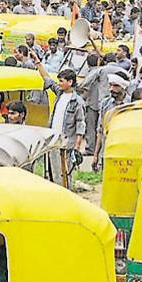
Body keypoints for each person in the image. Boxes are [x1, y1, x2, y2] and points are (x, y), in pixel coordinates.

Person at [32, 51, 85, 188]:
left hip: (67, 143)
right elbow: (47, 79)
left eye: (61, 81)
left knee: (66, 172)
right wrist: (38, 62)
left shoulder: (77, 101)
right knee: (53, 170)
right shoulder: (60, 93)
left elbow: (80, 123)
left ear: (70, 82)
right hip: (54, 139)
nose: (59, 83)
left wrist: (78, 145)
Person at [92, 73, 128, 171]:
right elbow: (100, 130)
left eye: (116, 86)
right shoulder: (105, 104)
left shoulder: (130, 104)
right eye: (110, 85)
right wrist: (95, 155)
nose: (111, 89)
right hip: (107, 151)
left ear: (123, 87)